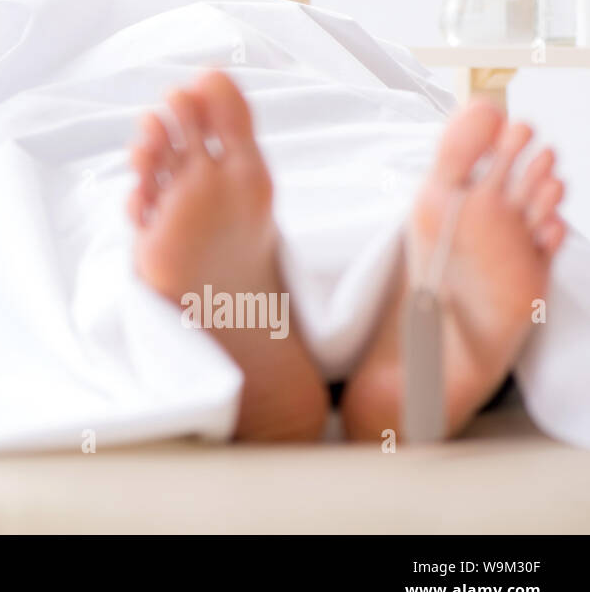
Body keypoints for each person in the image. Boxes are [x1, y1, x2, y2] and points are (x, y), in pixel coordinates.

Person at [128, 35, 568, 441]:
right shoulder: (120, 22)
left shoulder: (312, 33)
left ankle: (237, 324)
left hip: (348, 109)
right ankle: (416, 351)